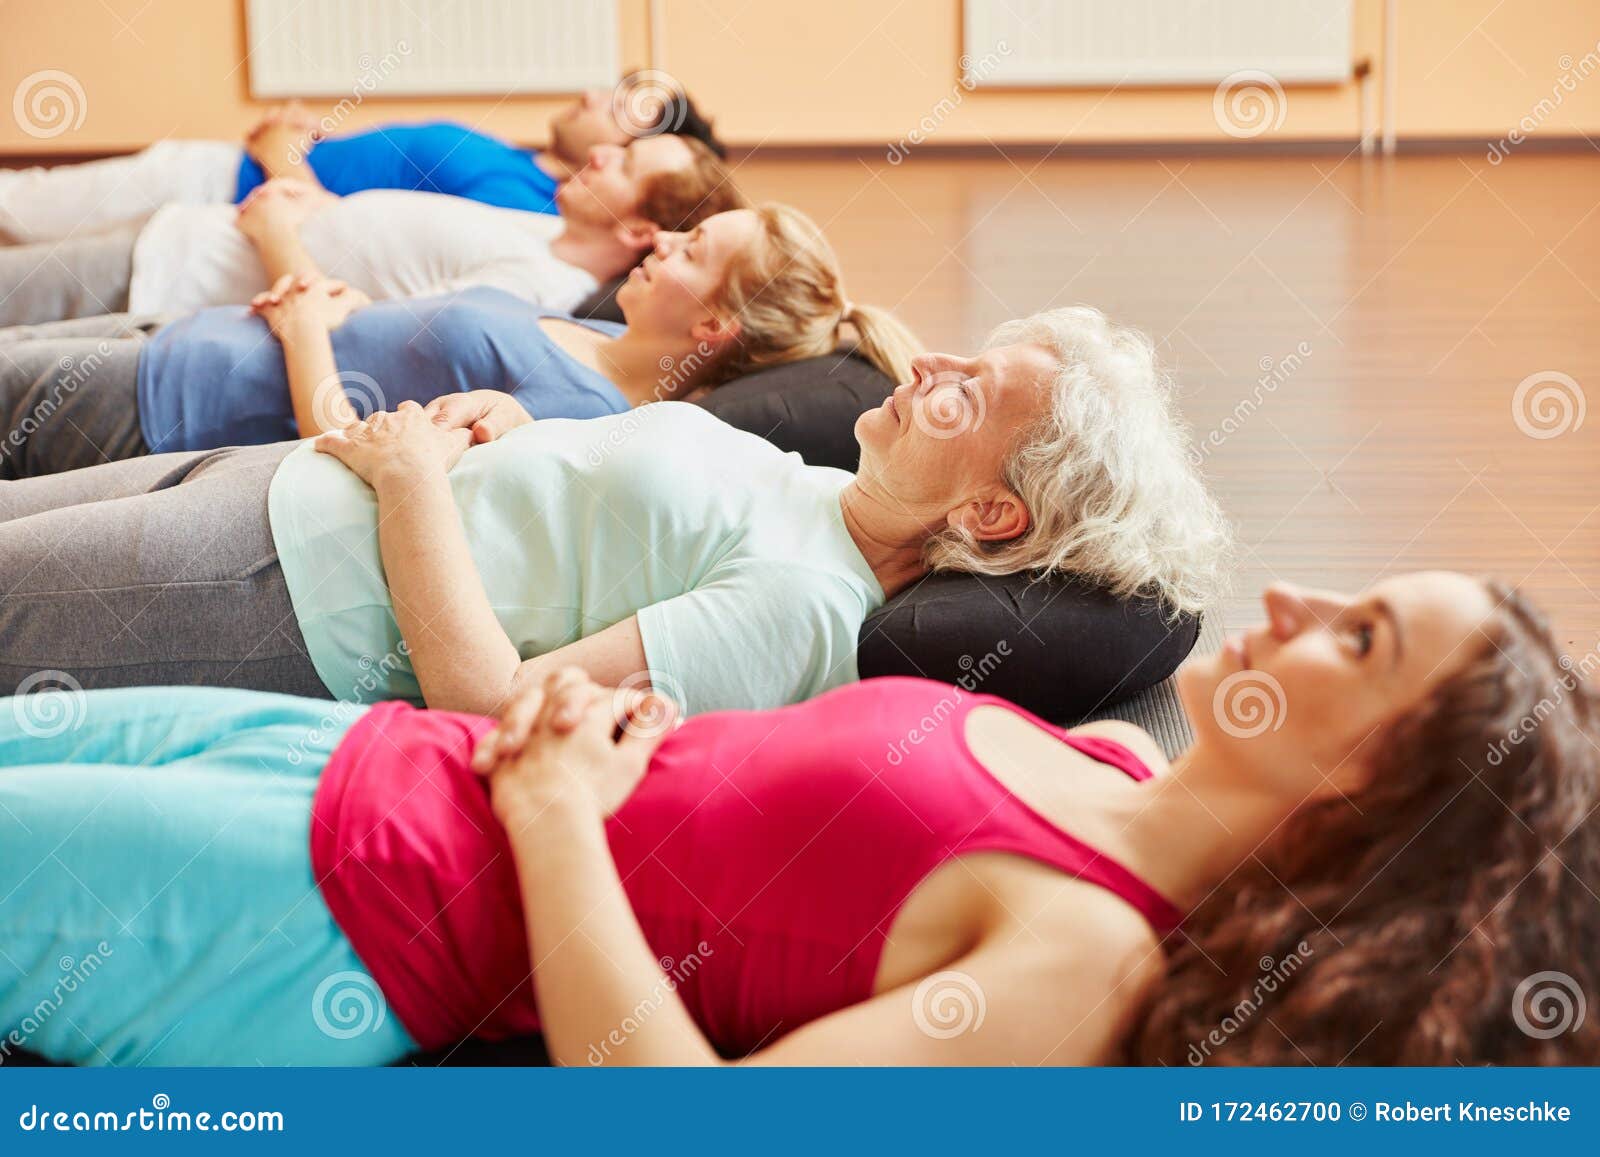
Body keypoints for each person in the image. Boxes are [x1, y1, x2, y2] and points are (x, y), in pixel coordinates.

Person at [1, 574, 1592, 1066]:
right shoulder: (1112, 763)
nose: (1298, 597)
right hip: (379, 757)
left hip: (339, 909)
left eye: (1360, 637)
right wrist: (634, 744)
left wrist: (560, 817)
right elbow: (759, 848)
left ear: (1366, 792)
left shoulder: (1080, 962)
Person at [0, 306, 1223, 717]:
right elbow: (599, 526)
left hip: (272, 593)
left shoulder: (804, 612)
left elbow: (488, 704)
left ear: (997, 518)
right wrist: (514, 433)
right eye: (963, 352)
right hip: (293, 484)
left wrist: (421, 483)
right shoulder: (821, 495)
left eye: (971, 395)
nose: (930, 367)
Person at [0, 205, 864, 477]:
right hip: (192, 338)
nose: (661, 244)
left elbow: (367, 457)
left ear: (714, 327)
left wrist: (307, 337)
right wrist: (345, 302)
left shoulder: (581, 411)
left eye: (692, 251)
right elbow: (411, 353)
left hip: (174, 408)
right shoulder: (602, 327)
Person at [0, 131, 742, 326]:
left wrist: (276, 233)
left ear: (644, 228)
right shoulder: (532, 222)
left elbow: (358, 330)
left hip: (169, 281)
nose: (602, 151)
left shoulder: (539, 289)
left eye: (625, 165)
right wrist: (312, 208)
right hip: (187, 235)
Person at [0, 79, 726, 243]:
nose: (593, 96)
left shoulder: (524, 208)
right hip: (222, 177)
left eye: (622, 103)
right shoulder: (523, 168)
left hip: (222, 200)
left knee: (18, 212)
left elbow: (355, 239)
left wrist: (281, 153)